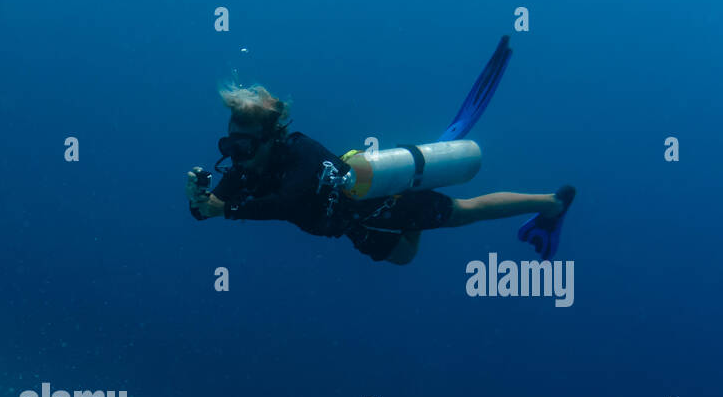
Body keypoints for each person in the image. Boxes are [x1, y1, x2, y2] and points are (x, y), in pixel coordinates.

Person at [187, 39, 576, 265]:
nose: (236, 154)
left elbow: (288, 203)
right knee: (405, 258)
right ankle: (424, 169)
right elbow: (209, 210)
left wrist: (227, 209)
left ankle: (552, 203)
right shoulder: (242, 169)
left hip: (381, 201)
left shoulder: (302, 154)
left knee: (463, 213)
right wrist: (200, 200)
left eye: (244, 145)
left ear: (271, 138)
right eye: (229, 145)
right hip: (353, 225)